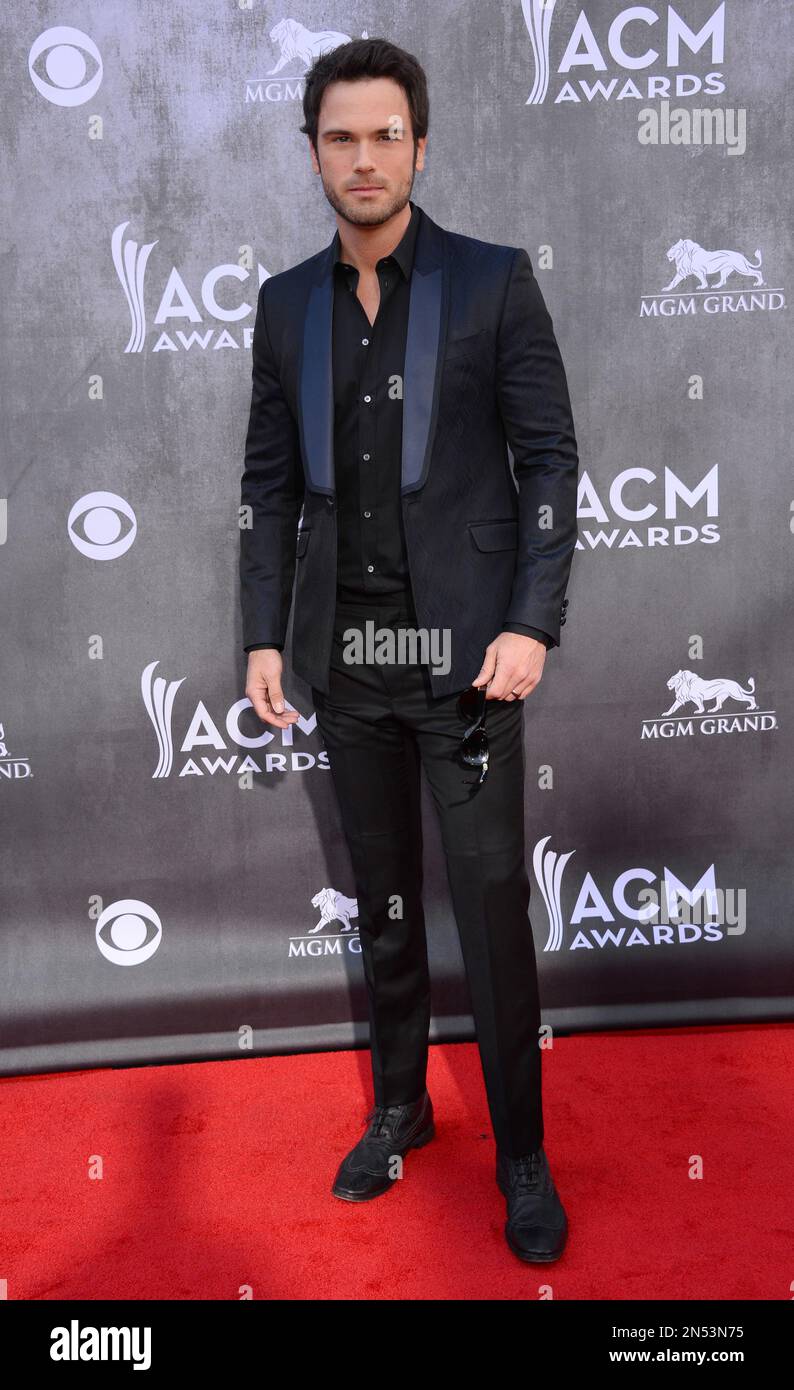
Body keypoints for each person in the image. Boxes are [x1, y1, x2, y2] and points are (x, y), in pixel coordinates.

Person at [239, 37, 579, 1263]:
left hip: (469, 671)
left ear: (420, 148)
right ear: (314, 153)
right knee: (382, 908)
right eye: (341, 137)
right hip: (348, 663)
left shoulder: (491, 283)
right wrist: (262, 640)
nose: (364, 157)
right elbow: (268, 486)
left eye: (386, 135)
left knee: (490, 916)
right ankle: (398, 1108)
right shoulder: (284, 304)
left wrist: (529, 620)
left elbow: (549, 460)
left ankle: (523, 1158)